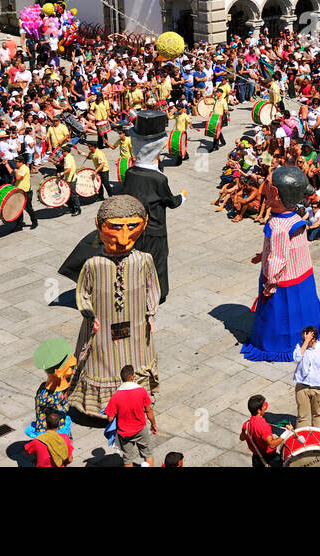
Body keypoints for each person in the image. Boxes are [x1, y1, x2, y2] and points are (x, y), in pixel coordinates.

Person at [70, 195, 161, 416]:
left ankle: (136, 398)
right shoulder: (93, 264)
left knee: (135, 359)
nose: (124, 238)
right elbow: (82, 292)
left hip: (137, 327)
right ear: (98, 226)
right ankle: (103, 407)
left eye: (132, 227)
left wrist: (150, 313)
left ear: (144, 224)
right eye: (115, 228)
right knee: (102, 360)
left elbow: (153, 288)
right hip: (101, 328)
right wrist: (89, 315)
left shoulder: (144, 260)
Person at [243, 166, 320, 362]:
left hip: (283, 282)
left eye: (268, 185)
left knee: (281, 316)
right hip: (302, 275)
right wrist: (263, 254)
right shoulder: (296, 218)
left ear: (276, 193)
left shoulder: (277, 226)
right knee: (303, 310)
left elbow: (277, 257)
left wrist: (270, 282)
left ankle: (280, 345)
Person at [121, 111, 185, 303]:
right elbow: (170, 202)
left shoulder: (131, 173)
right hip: (155, 229)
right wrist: (182, 197)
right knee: (157, 261)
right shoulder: (159, 179)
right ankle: (158, 292)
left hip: (133, 227)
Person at [105, 364, 157, 467]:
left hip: (124, 432)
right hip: (140, 429)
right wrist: (153, 424)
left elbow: (110, 418)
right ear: (132, 377)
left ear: (122, 378)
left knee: (128, 459)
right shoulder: (141, 391)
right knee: (147, 454)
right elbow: (149, 410)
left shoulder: (115, 396)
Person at [292, 325, 320, 429]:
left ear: (314, 339)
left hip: (319, 387)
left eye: (306, 338)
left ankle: (317, 439)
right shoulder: (300, 347)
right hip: (302, 386)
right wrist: (305, 343)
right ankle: (301, 440)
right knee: (301, 416)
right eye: (303, 338)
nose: (303, 340)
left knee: (318, 415)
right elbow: (297, 358)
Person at [240, 394, 286, 468]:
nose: (265, 407)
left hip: (256, 459)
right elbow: (272, 444)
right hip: (271, 459)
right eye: (264, 406)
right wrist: (285, 434)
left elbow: (242, 438)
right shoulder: (263, 426)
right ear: (258, 410)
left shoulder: (246, 424)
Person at [12, 155, 39, 231]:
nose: (15, 163)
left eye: (16, 162)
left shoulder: (24, 168)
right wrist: (6, 164)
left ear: (21, 162)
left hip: (26, 192)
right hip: (19, 191)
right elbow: (12, 172)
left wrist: (16, 171)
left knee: (29, 208)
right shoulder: (19, 168)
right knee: (18, 209)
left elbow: (18, 178)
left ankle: (34, 222)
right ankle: (19, 225)